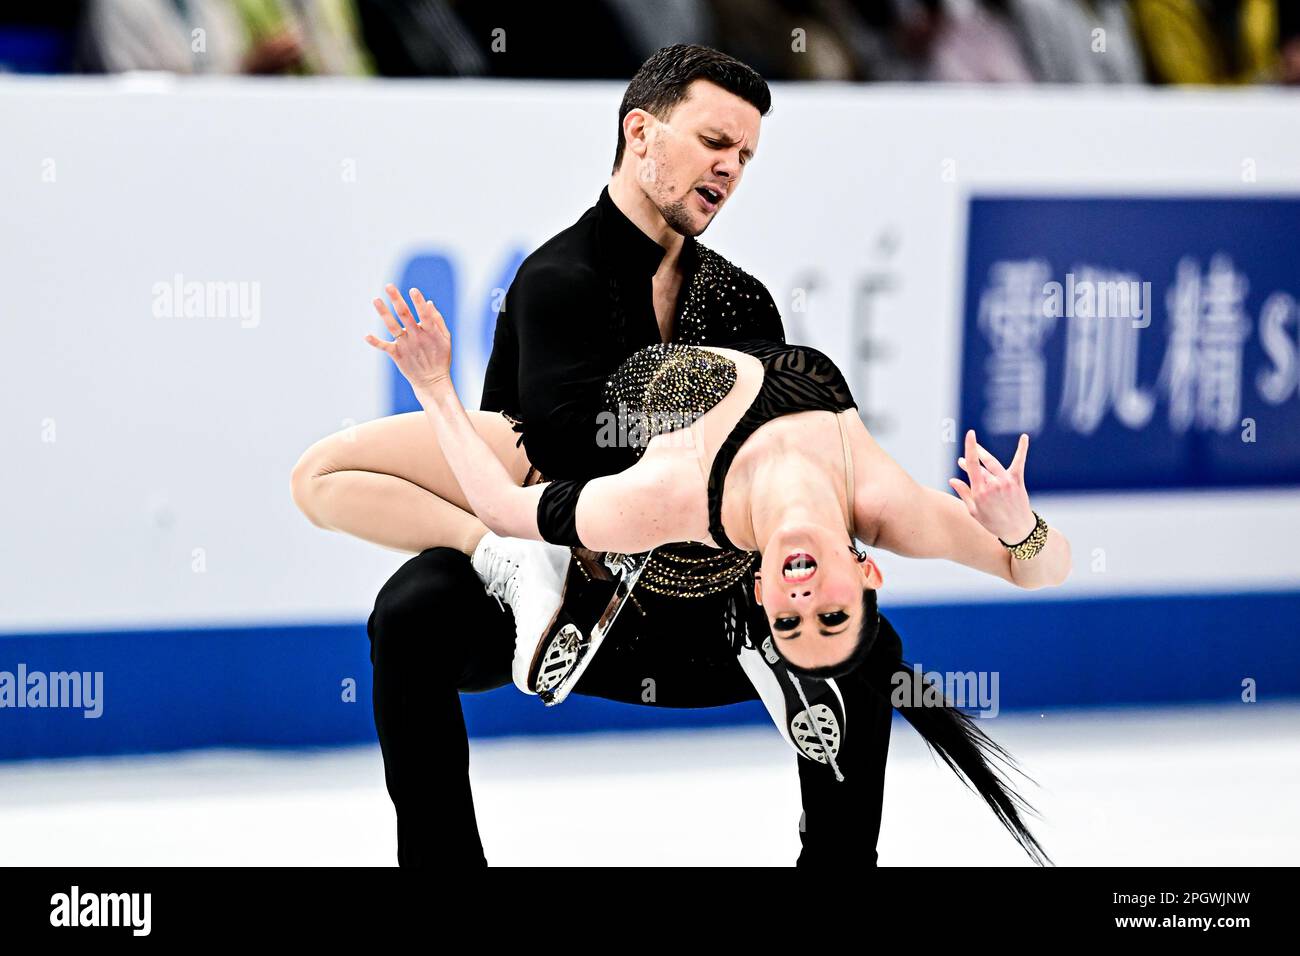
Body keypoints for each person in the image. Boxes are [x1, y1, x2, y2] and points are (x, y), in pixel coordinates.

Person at [292, 44, 1022, 866]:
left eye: (745, 155)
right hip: (565, 601)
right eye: (714, 142)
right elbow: (565, 468)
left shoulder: (740, 298)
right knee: (412, 608)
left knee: (860, 635)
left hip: (706, 609)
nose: (731, 168)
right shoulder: (557, 282)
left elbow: (776, 457)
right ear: (640, 133)